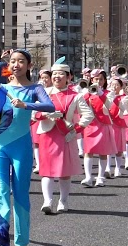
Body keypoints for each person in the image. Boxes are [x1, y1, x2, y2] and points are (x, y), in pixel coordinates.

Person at [0, 49, 54, 246]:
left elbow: (49, 106)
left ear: (29, 65)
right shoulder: (1, 89)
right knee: (0, 191)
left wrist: (26, 105)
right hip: (0, 146)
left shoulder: (35, 88)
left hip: (22, 146)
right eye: (13, 61)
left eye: (21, 61)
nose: (16, 65)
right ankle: (0, 241)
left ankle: (21, 238)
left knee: (20, 191)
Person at [32, 59, 94, 214]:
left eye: (60, 74)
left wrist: (76, 129)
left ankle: (63, 200)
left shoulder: (75, 96)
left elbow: (88, 115)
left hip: (66, 136)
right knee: (46, 170)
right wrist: (45, 114)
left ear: (69, 77)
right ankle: (47, 201)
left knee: (64, 171)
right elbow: (34, 114)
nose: (56, 77)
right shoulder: (45, 92)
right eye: (54, 74)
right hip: (47, 135)